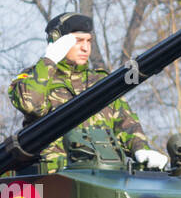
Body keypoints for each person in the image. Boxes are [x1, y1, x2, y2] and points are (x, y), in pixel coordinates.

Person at [7, 11, 166, 173]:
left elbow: (126, 123)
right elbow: (30, 104)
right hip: (54, 180)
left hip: (105, 175)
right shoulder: (34, 78)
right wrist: (49, 60)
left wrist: (141, 148)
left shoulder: (101, 81)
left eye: (89, 41)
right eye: (78, 41)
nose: (85, 47)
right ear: (57, 41)